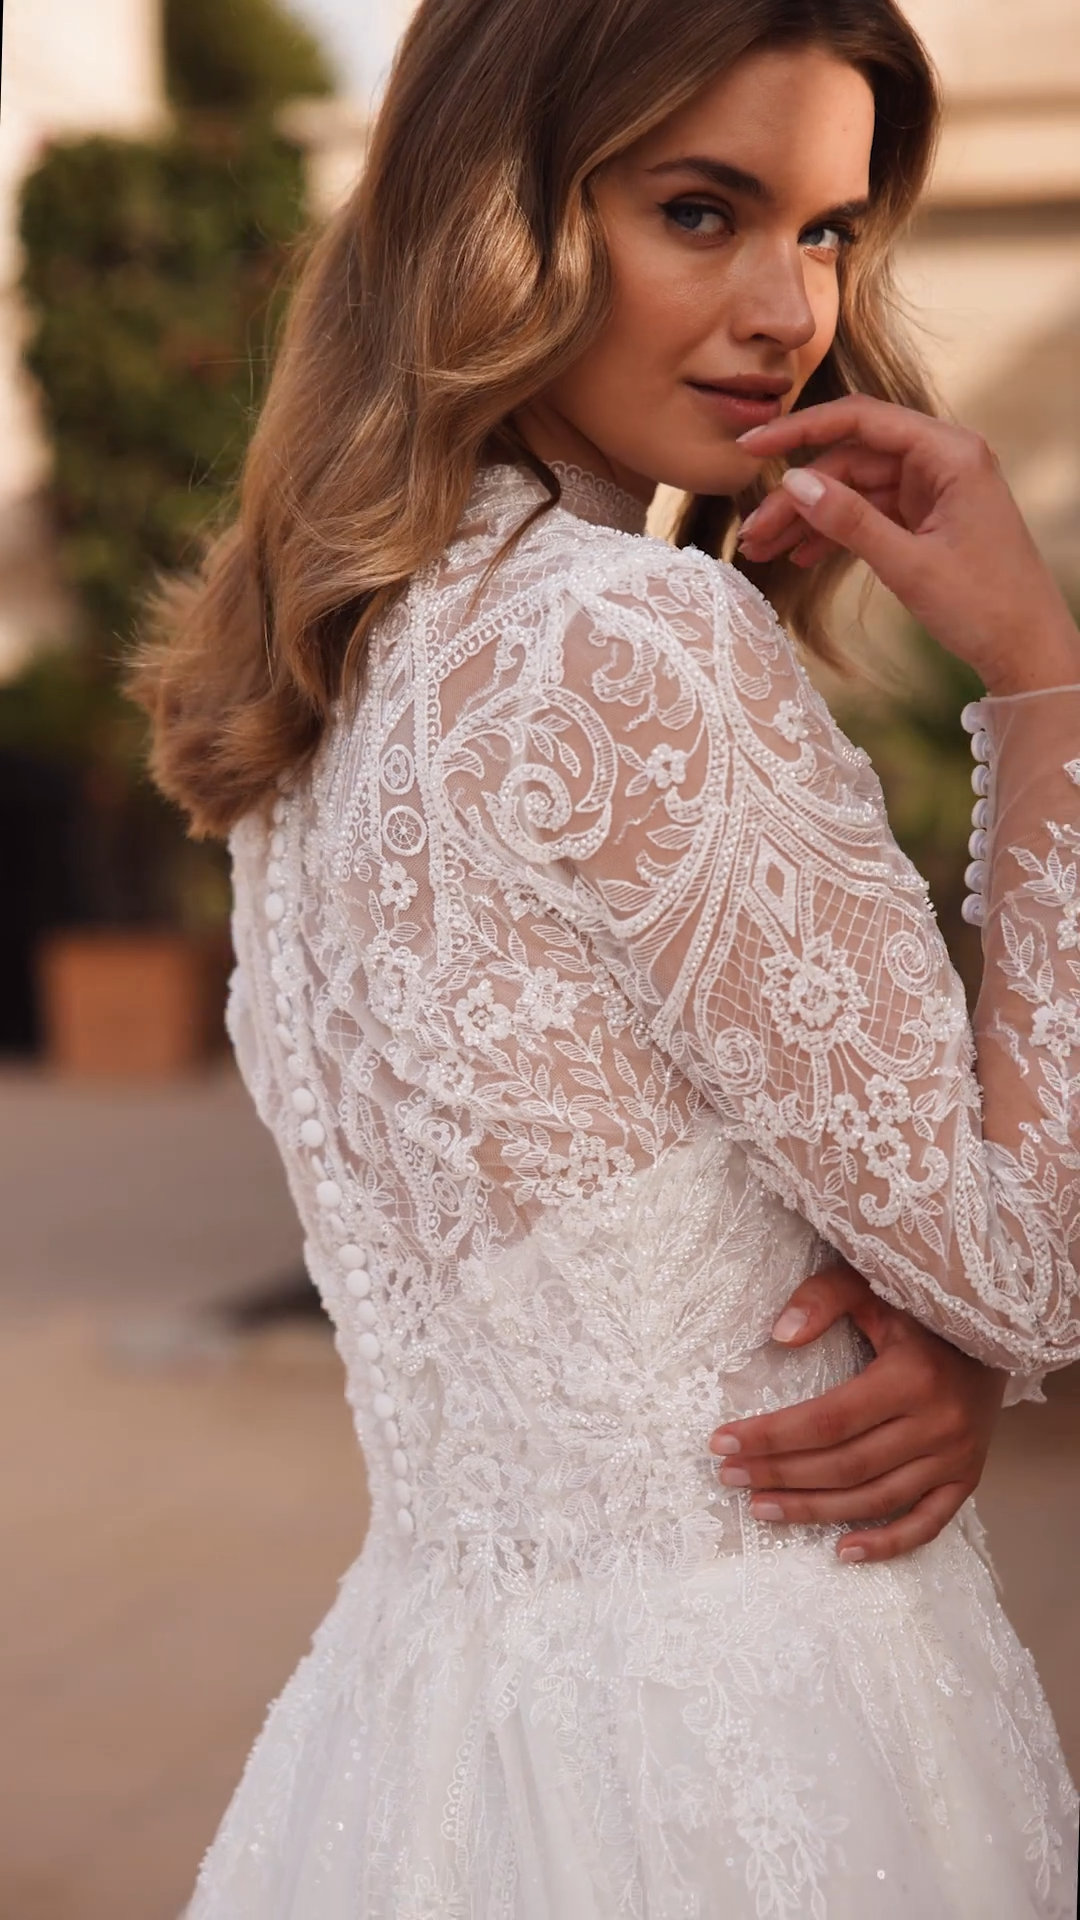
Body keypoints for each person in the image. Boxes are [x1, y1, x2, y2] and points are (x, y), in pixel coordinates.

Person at [133, 0, 1080, 1912]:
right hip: (744, 1729)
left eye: (827, 230)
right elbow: (1034, 1269)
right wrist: (1044, 683)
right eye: (700, 211)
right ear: (499, 213)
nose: (789, 311)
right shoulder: (632, 640)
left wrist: (933, 1331)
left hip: (422, 1737)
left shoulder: (330, 687)